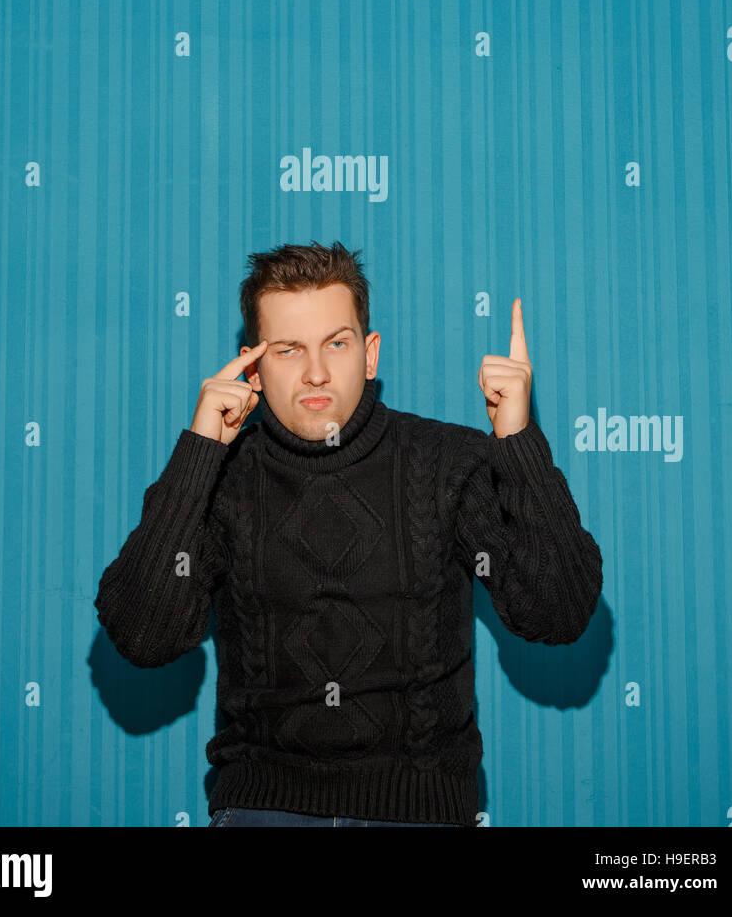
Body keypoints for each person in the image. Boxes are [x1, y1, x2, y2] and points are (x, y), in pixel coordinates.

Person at [94, 241, 602, 827]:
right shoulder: (222, 480)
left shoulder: (446, 463)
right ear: (253, 367)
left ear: (370, 354)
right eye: (288, 350)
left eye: (336, 343)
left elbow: (560, 611)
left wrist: (516, 441)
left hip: (420, 815)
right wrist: (199, 453)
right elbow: (142, 635)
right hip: (265, 810)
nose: (315, 372)